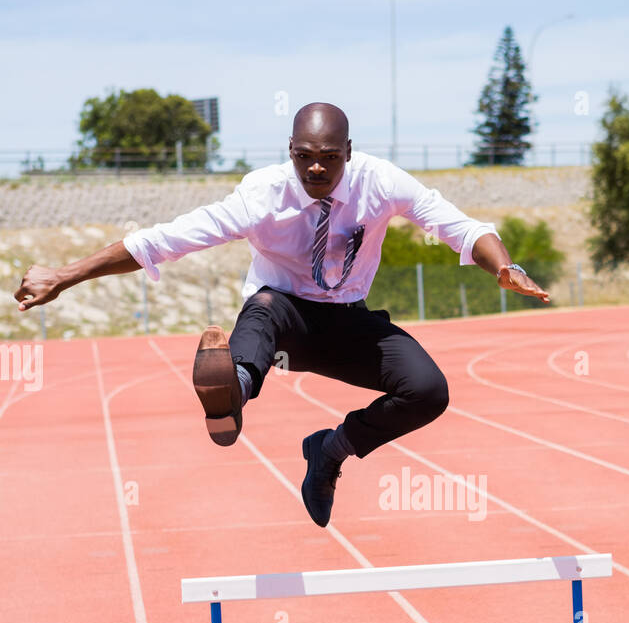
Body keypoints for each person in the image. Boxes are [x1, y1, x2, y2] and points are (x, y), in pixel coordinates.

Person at [15, 102, 550, 527]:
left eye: (329, 157)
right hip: (283, 325)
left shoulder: (380, 182)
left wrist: (503, 266)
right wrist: (65, 274)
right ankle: (234, 390)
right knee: (265, 305)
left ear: (349, 152)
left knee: (429, 391)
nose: (316, 168)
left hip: (348, 320)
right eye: (303, 156)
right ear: (289, 151)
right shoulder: (262, 194)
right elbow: (166, 239)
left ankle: (329, 452)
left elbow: (457, 224)